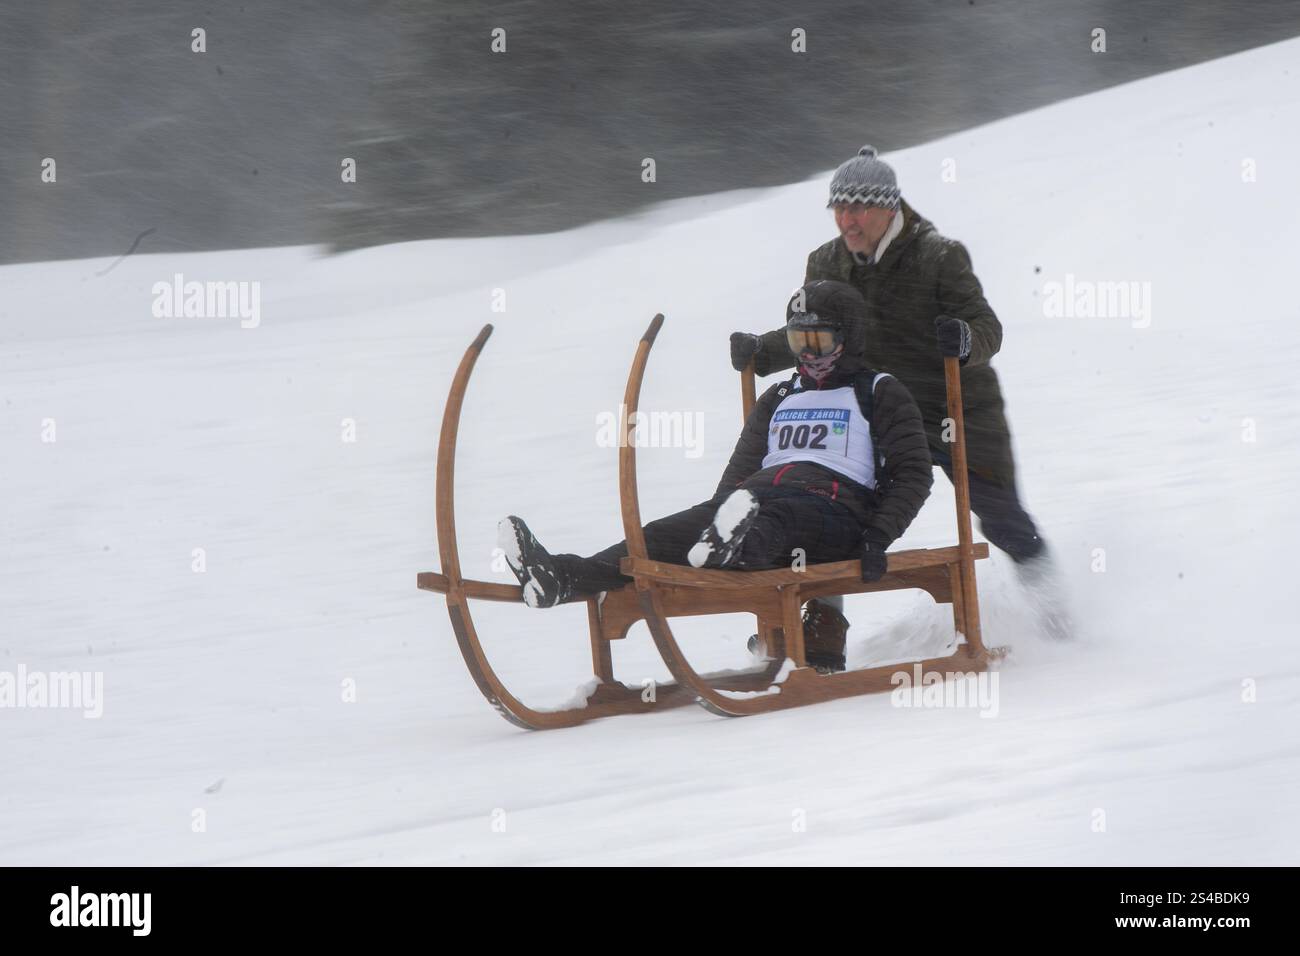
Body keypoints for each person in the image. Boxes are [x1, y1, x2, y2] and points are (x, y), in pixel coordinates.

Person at [498, 280, 933, 672]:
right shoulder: (780, 395)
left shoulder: (878, 392)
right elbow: (741, 472)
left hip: (835, 512)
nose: (807, 353)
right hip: (761, 498)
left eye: (819, 340)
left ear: (848, 338)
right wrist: (716, 515)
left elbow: (913, 474)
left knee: (775, 523)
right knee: (658, 536)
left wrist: (877, 538)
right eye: (799, 340)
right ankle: (564, 577)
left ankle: (732, 547)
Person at [729, 145, 1068, 641]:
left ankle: (1058, 621)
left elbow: (986, 325)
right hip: (876, 411)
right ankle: (822, 635)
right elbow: (816, 331)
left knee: (1002, 519)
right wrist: (763, 350)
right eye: (839, 208)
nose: (847, 219)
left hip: (956, 408)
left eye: (858, 207)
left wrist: (966, 339)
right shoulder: (824, 261)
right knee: (832, 509)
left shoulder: (938, 255)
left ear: (889, 207)